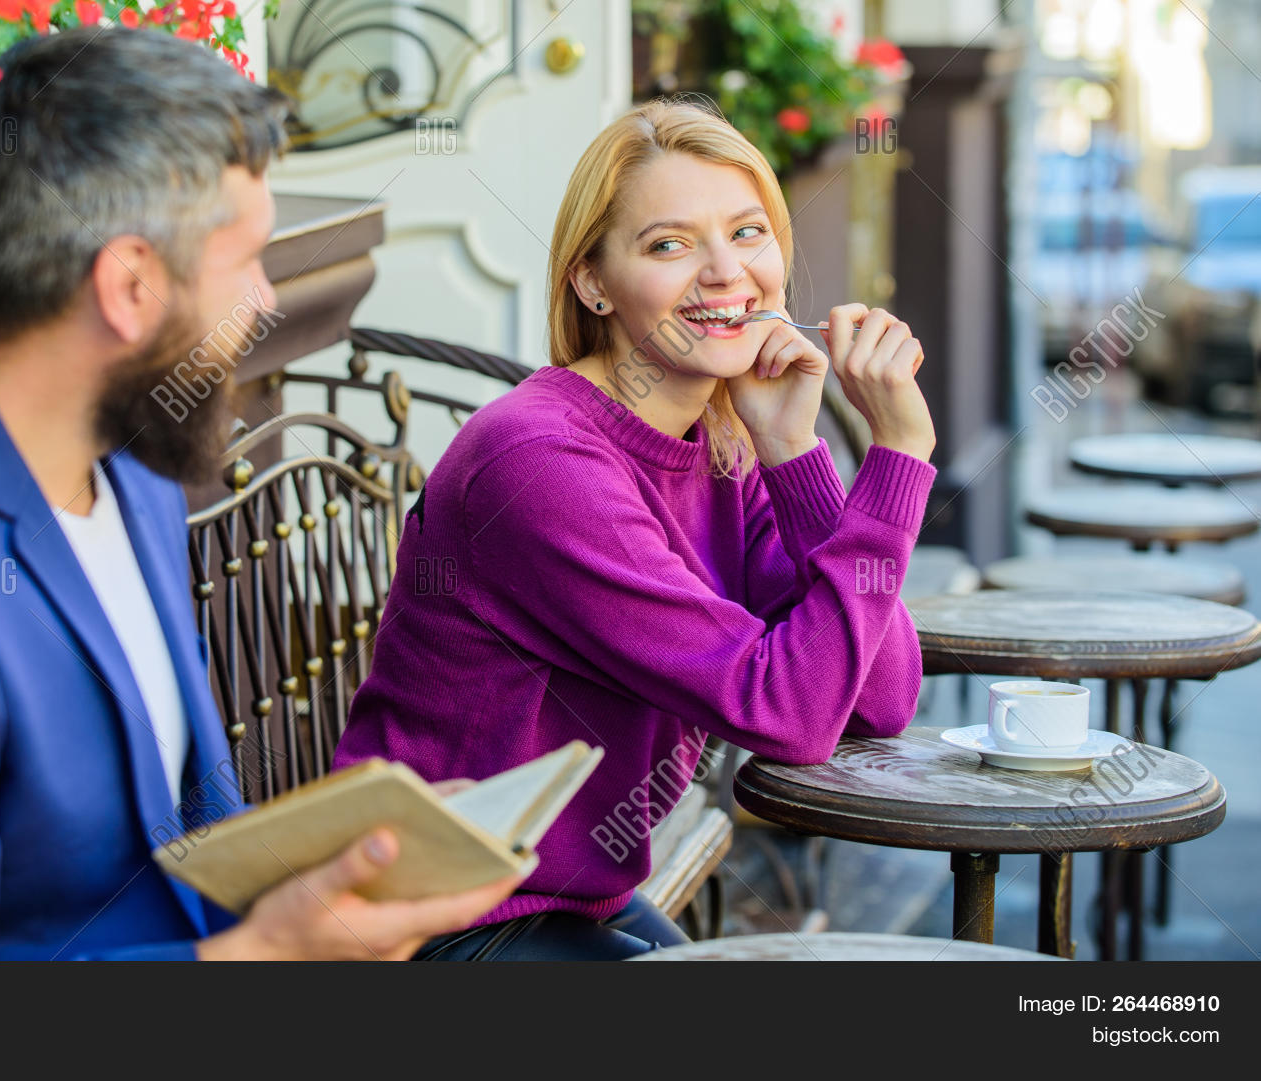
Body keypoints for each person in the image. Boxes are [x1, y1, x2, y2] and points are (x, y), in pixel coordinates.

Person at [0, 26, 523, 961]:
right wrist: (264, 962)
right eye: (245, 260)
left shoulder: (134, 466)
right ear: (128, 284)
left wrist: (347, 854)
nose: (266, 302)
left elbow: (182, 832)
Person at [331, 99, 939, 960]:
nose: (727, 271)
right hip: (427, 918)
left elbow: (877, 700)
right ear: (592, 282)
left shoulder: (723, 440)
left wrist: (795, 452)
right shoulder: (539, 462)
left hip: (567, 895)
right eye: (670, 244)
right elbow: (789, 712)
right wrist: (899, 454)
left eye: (749, 231)